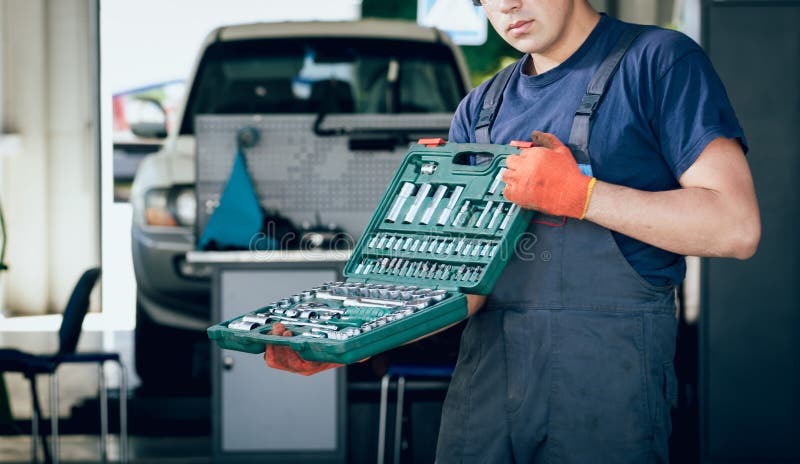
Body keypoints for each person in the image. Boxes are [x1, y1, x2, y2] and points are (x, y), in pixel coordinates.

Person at [266, 0, 761, 461]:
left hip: (606, 394)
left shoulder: (659, 63)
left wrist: (584, 197)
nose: (505, 5)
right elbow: (462, 289)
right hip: (486, 398)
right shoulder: (480, 111)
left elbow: (735, 227)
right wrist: (352, 340)